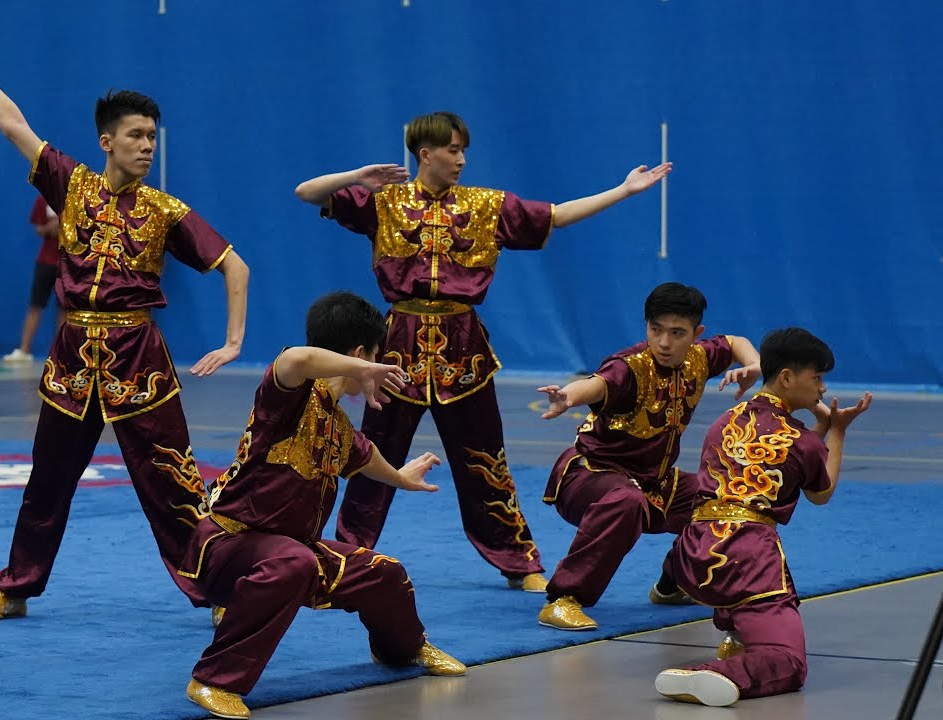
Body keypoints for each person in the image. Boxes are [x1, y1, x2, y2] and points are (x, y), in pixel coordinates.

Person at [0, 21, 251, 621]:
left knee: (174, 482)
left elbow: (236, 267)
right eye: (135, 135)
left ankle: (215, 589)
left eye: (153, 136)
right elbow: (11, 125)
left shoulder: (167, 210)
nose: (147, 145)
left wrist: (234, 341)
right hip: (73, 352)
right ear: (106, 141)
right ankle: (16, 587)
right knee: (48, 478)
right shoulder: (71, 185)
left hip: (139, 356)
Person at [294, 111, 672, 592]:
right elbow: (308, 192)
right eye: (452, 150)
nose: (461, 159)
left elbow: (554, 216)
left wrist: (623, 191)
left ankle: (519, 561)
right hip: (397, 352)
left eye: (463, 150)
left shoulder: (487, 205)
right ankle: (348, 554)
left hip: (465, 351)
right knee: (372, 458)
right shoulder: (383, 202)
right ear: (425, 153)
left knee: (485, 462)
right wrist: (357, 178)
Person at [181, 291, 464, 719]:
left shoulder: (337, 423)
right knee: (294, 562)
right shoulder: (288, 395)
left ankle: (402, 652)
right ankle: (212, 680)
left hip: (292, 552)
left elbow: (365, 456)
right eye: (375, 356)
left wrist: (402, 478)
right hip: (228, 547)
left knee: (384, 573)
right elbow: (295, 359)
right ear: (359, 354)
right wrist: (362, 368)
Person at [655, 327, 872, 706]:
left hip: (693, 554)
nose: (822, 389)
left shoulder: (724, 422)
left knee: (715, 531)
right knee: (788, 662)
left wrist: (816, 429)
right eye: (817, 377)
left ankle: (717, 620)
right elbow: (820, 493)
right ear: (787, 377)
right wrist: (836, 432)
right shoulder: (801, 440)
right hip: (746, 560)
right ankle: (716, 674)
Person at [534, 282, 760, 631]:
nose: (665, 342)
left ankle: (672, 584)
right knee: (626, 500)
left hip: (656, 483)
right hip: (590, 478)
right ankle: (564, 599)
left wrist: (754, 364)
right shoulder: (629, 367)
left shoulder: (698, 358)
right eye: (656, 330)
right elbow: (596, 384)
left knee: (723, 498)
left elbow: (734, 342)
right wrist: (569, 396)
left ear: (696, 333)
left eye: (677, 333)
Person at [2, 194, 62, 364]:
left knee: (64, 308)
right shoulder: (42, 200)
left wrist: (64, 225)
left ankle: (60, 352)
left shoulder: (76, 199)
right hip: (45, 261)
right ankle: (24, 350)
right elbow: (38, 229)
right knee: (35, 304)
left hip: (68, 262)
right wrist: (49, 228)